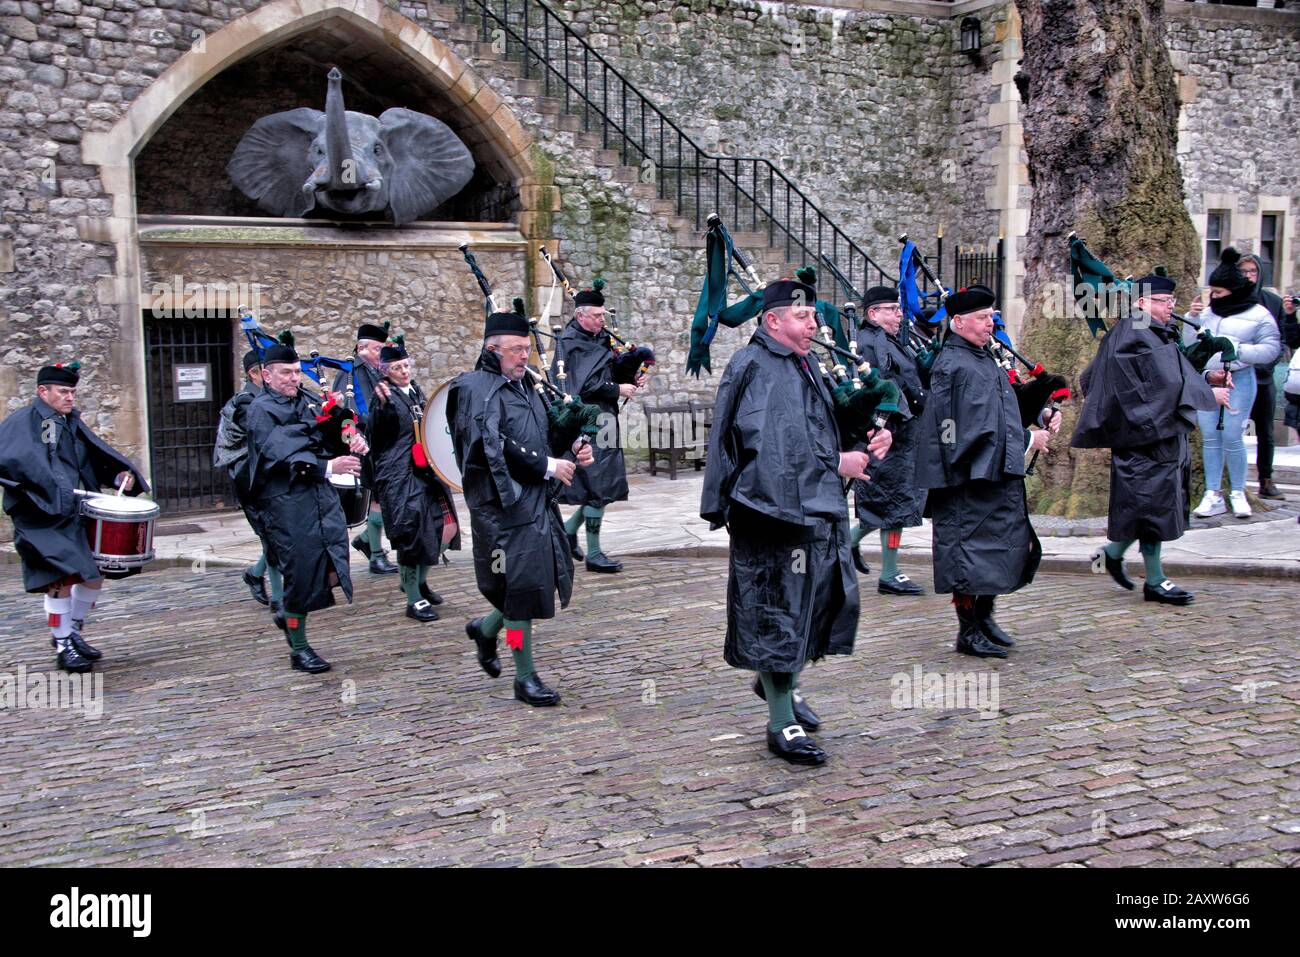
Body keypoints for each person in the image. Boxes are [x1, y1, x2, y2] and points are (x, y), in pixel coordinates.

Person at [700, 277, 891, 766]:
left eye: (812, 317)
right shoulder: (754, 366)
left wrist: (867, 433)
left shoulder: (805, 363)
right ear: (772, 321)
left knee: (812, 607)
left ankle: (777, 686)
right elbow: (772, 453)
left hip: (811, 510)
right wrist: (835, 464)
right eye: (804, 317)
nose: (814, 324)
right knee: (776, 615)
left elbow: (819, 424)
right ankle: (781, 721)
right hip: (771, 513)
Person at [447, 301, 595, 707]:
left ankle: (485, 628)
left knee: (531, 582)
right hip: (501, 505)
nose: (523, 357)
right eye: (515, 350)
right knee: (519, 590)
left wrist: (575, 444)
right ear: (492, 348)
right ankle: (524, 676)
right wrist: (547, 465)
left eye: (526, 349)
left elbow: (546, 431)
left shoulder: (525, 386)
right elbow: (488, 444)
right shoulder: (473, 388)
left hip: (533, 500)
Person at [913, 285, 1053, 659]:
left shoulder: (980, 356)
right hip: (966, 478)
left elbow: (999, 408)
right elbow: (964, 429)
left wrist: (1038, 412)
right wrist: (1026, 439)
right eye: (981, 318)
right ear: (957, 322)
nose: (990, 323)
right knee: (967, 555)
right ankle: (968, 630)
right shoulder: (953, 365)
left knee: (996, 551)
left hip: (992, 474)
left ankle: (986, 617)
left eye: (991, 316)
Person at [1073, 270, 1225, 605]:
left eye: (1172, 301)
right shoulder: (1134, 332)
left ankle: (1111, 554)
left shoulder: (1152, 330)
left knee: (1149, 506)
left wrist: (1204, 377)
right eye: (1162, 301)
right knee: (1149, 506)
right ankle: (1154, 580)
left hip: (1157, 433)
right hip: (1143, 436)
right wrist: (1205, 394)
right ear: (1141, 302)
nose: (1171, 307)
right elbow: (1153, 385)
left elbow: (1169, 373)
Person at [0, 361, 148, 672]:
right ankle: (63, 643)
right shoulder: (24, 422)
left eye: (72, 392)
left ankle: (72, 630)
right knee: (60, 579)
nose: (70, 397)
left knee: (93, 576)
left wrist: (118, 476)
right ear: (43, 391)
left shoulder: (68, 422)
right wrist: (50, 491)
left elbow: (89, 459)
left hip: (74, 513)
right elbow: (16, 463)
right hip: (40, 515)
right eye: (63, 392)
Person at [245, 332, 367, 673]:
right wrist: (330, 466)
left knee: (321, 565)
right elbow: (284, 455)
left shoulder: (306, 400)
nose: (294, 378)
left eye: (297, 372)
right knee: (300, 573)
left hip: (317, 497)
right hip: (284, 503)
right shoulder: (260, 410)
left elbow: (333, 425)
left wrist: (349, 436)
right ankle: (299, 649)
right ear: (267, 375)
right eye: (286, 372)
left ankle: (290, 615)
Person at [551, 278, 646, 573]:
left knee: (602, 483)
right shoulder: (570, 343)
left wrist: (631, 377)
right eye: (596, 316)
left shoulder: (597, 338)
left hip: (605, 417)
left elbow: (607, 371)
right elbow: (581, 385)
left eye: (603, 315)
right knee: (596, 483)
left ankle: (568, 531)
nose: (601, 320)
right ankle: (593, 553)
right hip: (586, 419)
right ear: (580, 315)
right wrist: (617, 390)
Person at [369, 333, 461, 623]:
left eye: (406, 365)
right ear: (385, 371)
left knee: (446, 528)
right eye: (396, 368)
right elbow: (378, 431)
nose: (403, 371)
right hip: (400, 474)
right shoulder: (382, 398)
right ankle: (413, 598)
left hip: (428, 471)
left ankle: (418, 581)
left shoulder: (416, 390)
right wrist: (381, 408)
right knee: (412, 535)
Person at [1186, 249, 1280, 519]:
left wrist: (1237, 351)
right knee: (1210, 436)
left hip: (1239, 379)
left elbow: (1271, 348)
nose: (1212, 297)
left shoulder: (1259, 314)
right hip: (1208, 380)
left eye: (1218, 292)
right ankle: (1212, 493)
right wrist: (1192, 319)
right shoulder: (1208, 313)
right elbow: (1190, 346)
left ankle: (1237, 491)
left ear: (1232, 290)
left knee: (1232, 435)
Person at [848, 285, 926, 595]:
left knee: (894, 505)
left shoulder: (889, 341)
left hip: (901, 434)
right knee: (889, 505)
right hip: (885, 434)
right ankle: (884, 570)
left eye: (898, 309)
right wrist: (889, 422)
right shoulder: (869, 344)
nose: (899, 315)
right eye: (892, 310)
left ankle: (856, 548)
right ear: (872, 314)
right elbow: (879, 388)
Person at [213, 349, 283, 610]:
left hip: (268, 474)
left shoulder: (271, 397)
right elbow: (263, 433)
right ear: (255, 373)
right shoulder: (245, 402)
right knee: (271, 534)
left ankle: (254, 574)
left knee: (278, 533)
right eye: (270, 370)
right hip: (250, 478)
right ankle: (279, 598)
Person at [1227, 254, 1300, 500]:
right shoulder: (1228, 301)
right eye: (1243, 271)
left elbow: (1280, 341)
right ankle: (1233, 480)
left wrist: (1264, 366)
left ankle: (1266, 480)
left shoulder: (1272, 301)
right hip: (1237, 376)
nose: (1248, 275)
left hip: (1263, 377)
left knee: (1266, 433)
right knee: (1233, 430)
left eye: (1252, 271)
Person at [335, 320, 400, 575]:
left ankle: (368, 542)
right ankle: (375, 554)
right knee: (379, 499)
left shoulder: (376, 370)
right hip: (363, 444)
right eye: (376, 350)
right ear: (362, 348)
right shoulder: (351, 371)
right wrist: (353, 442)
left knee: (382, 498)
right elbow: (344, 415)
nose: (380, 355)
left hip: (382, 443)